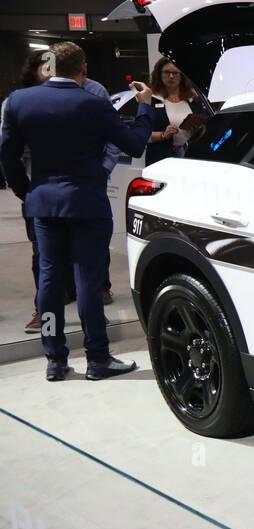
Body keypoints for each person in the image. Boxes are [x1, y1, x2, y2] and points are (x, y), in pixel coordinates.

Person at [0, 41, 154, 382]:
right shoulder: (94, 104)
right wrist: (145, 108)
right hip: (87, 202)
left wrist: (27, 192)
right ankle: (97, 358)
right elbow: (134, 143)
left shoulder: (18, 102)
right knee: (88, 280)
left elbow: (7, 157)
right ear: (83, 70)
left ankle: (55, 360)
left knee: (50, 281)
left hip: (43, 203)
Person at [144, 57, 205, 165]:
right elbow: (141, 134)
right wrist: (163, 135)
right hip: (161, 160)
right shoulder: (150, 99)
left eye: (175, 73)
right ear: (159, 74)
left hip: (192, 158)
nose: (171, 76)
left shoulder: (193, 99)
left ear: (181, 75)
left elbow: (205, 125)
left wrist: (199, 129)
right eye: (167, 72)